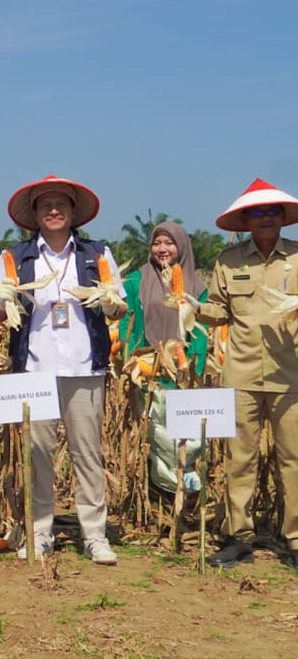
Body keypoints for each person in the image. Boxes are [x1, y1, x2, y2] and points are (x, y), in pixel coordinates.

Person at [0, 175, 126, 565]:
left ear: (73, 212)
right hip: (35, 368)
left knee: (88, 453)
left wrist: (111, 301)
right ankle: (40, 532)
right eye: (45, 205)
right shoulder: (15, 257)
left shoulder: (97, 253)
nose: (53, 211)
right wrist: (4, 299)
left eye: (61, 204)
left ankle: (94, 535)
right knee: (38, 455)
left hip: (85, 368)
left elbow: (119, 308)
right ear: (34, 215)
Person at [195, 179, 298, 569]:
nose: (266, 218)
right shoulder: (229, 261)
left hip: (291, 374)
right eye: (258, 213)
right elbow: (219, 311)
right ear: (246, 220)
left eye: (272, 212)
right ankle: (238, 537)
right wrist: (192, 308)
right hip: (241, 374)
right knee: (240, 458)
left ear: (283, 218)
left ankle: (295, 537)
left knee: (293, 458)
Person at [116, 222, 209, 497]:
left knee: (187, 436)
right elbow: (128, 323)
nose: (162, 249)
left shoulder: (198, 287)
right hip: (148, 370)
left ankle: (184, 491)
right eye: (157, 243)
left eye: (169, 243)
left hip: (183, 371)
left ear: (182, 246)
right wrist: (133, 360)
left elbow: (200, 332)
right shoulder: (135, 281)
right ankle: (160, 495)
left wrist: (191, 368)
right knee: (154, 433)